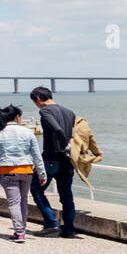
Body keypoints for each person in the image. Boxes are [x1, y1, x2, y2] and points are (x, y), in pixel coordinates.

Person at [0, 104, 46, 242]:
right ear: (17, 117)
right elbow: (37, 155)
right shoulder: (28, 132)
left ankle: (19, 233)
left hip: (8, 172)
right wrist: (42, 173)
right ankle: (21, 231)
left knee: (14, 203)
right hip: (26, 171)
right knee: (23, 202)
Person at [29, 86, 78, 238]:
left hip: (51, 158)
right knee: (66, 194)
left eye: (34, 102)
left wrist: (62, 144)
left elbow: (57, 129)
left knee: (36, 188)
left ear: (38, 99)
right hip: (68, 160)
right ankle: (69, 229)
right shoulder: (70, 112)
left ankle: (51, 223)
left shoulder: (45, 111)